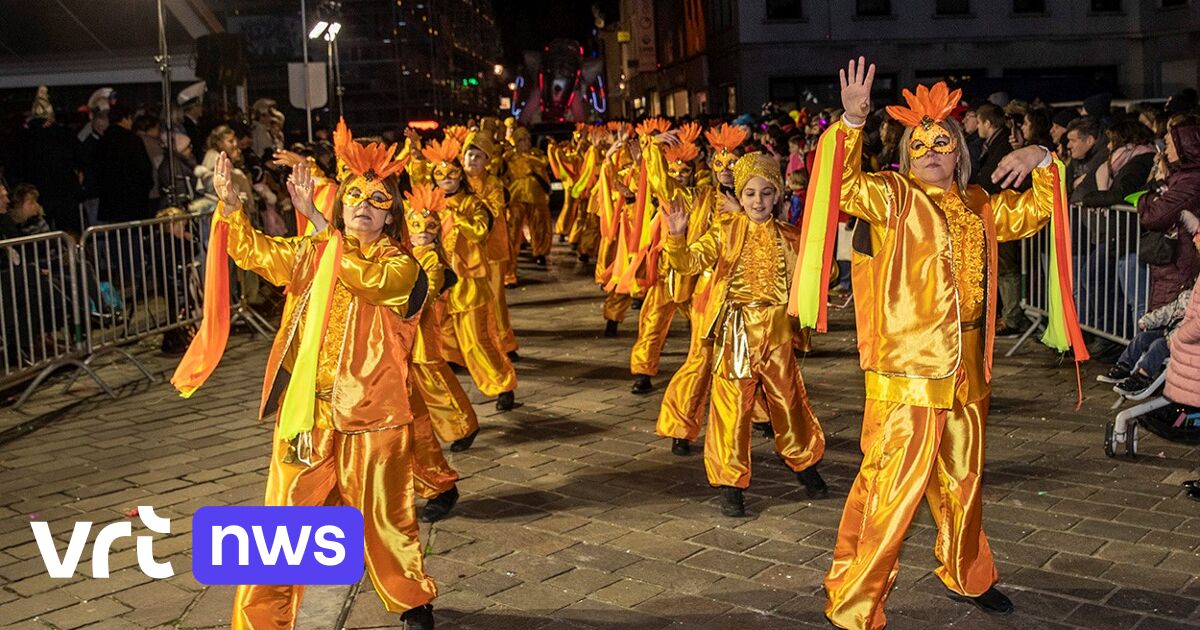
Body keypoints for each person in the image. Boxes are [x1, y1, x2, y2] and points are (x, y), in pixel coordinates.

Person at [812, 59, 1072, 630]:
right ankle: (856, 597)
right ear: (906, 155)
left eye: (943, 142)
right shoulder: (894, 198)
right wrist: (852, 123)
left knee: (965, 484)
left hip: (968, 376)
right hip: (908, 375)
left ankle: (966, 573)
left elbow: (1036, 209)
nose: (932, 151)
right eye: (920, 144)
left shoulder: (980, 203)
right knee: (892, 489)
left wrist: (1044, 159)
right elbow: (844, 187)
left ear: (959, 150)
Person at [176, 127, 440, 628]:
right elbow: (254, 252)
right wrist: (231, 206)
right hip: (307, 417)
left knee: (386, 521)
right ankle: (260, 621)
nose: (364, 205)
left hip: (374, 418)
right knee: (282, 526)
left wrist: (322, 227)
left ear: (391, 213)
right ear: (341, 205)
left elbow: (371, 282)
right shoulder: (310, 251)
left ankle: (411, 600)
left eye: (377, 199)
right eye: (354, 196)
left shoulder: (406, 264)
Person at [661, 150, 827, 517]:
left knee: (788, 400)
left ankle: (804, 463)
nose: (757, 201)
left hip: (778, 330)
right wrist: (676, 236)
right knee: (732, 406)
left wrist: (820, 254)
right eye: (750, 193)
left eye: (766, 193)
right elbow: (690, 262)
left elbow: (818, 276)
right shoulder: (725, 230)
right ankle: (730, 481)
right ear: (740, 194)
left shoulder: (790, 236)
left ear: (778, 194)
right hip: (737, 330)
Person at [654, 122, 748, 456]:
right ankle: (681, 424)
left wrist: (744, 212)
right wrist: (654, 150)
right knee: (701, 358)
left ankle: (764, 416)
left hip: (750, 296)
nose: (725, 170)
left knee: (753, 362)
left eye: (732, 163)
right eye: (719, 164)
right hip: (710, 292)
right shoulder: (701, 198)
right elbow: (665, 187)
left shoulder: (757, 197)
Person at [423, 136, 519, 411]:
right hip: (438, 284)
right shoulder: (428, 205)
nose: (446, 179)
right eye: (439, 174)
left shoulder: (473, 203)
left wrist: (454, 216)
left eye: (451, 173)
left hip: (468, 282)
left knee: (478, 339)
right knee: (436, 340)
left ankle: (502, 385)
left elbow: (480, 230)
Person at [462, 128, 520, 359]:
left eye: (478, 156)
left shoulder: (493, 183)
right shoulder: (455, 181)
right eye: (469, 155)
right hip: (463, 254)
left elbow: (493, 210)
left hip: (492, 250)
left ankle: (505, 343)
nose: (473, 160)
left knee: (496, 299)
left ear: (487, 160)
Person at [974, 103, 1029, 337]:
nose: (976, 127)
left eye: (978, 122)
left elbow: (994, 178)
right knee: (998, 267)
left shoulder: (1003, 144)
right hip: (994, 211)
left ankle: (1011, 317)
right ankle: (1003, 314)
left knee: (1006, 267)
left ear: (987, 123)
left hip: (1004, 213)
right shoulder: (992, 144)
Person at [1138, 115, 1200, 313]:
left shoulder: (1192, 181)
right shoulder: (1179, 175)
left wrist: (1144, 201)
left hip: (1180, 262)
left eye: (1170, 144)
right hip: (1170, 260)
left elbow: (1155, 217)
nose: (1167, 149)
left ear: (1185, 146)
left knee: (1163, 324)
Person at [96, 104, 154, 223]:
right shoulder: (133, 140)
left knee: (115, 236)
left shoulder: (103, 141)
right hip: (134, 199)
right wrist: (147, 186)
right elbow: (144, 167)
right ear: (124, 119)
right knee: (134, 235)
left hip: (110, 200)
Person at [505, 125, 553, 267]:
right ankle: (512, 256)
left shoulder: (536, 155)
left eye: (527, 140)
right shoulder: (509, 157)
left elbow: (544, 163)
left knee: (539, 225)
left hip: (536, 195)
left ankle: (540, 253)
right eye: (521, 140)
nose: (525, 143)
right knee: (513, 227)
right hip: (516, 196)